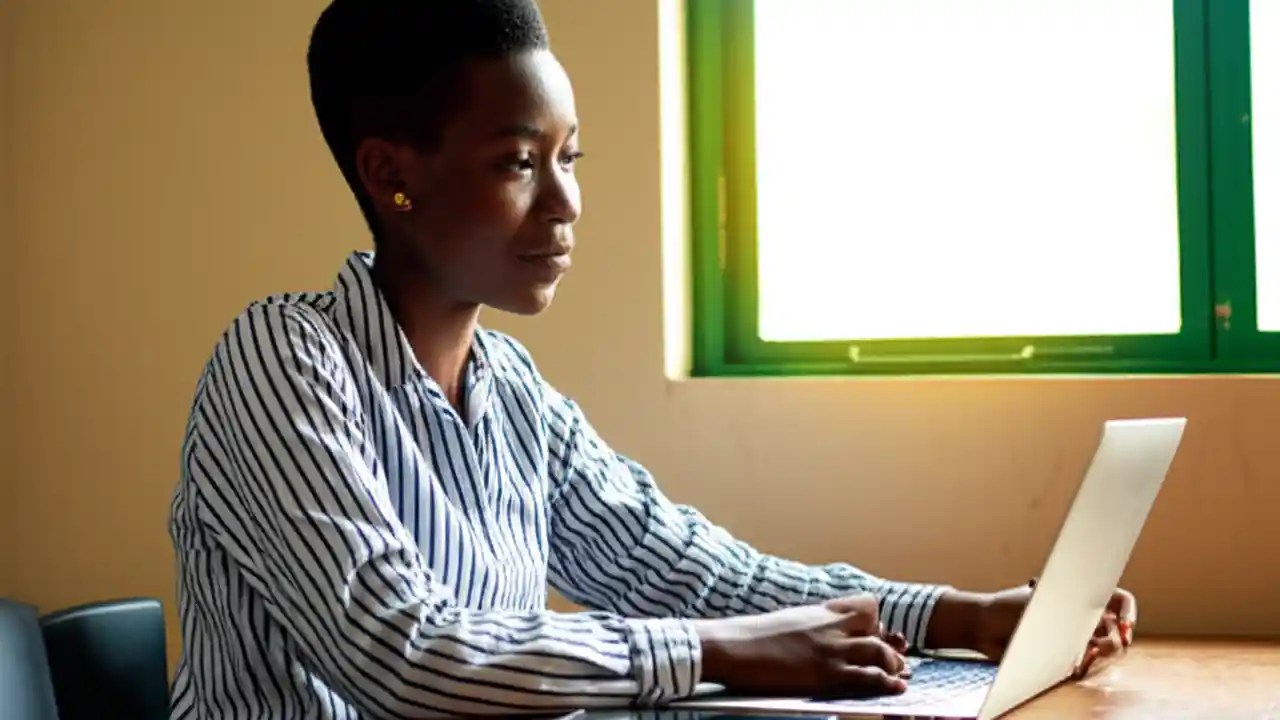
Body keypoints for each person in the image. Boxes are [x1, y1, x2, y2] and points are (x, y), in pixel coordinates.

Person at [167, 0, 1135, 717]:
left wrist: (964, 617)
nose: (566, 204)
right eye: (518, 163)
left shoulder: (512, 396)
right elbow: (405, 655)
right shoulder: (281, 360)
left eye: (569, 158)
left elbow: (700, 578)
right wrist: (721, 653)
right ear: (390, 175)